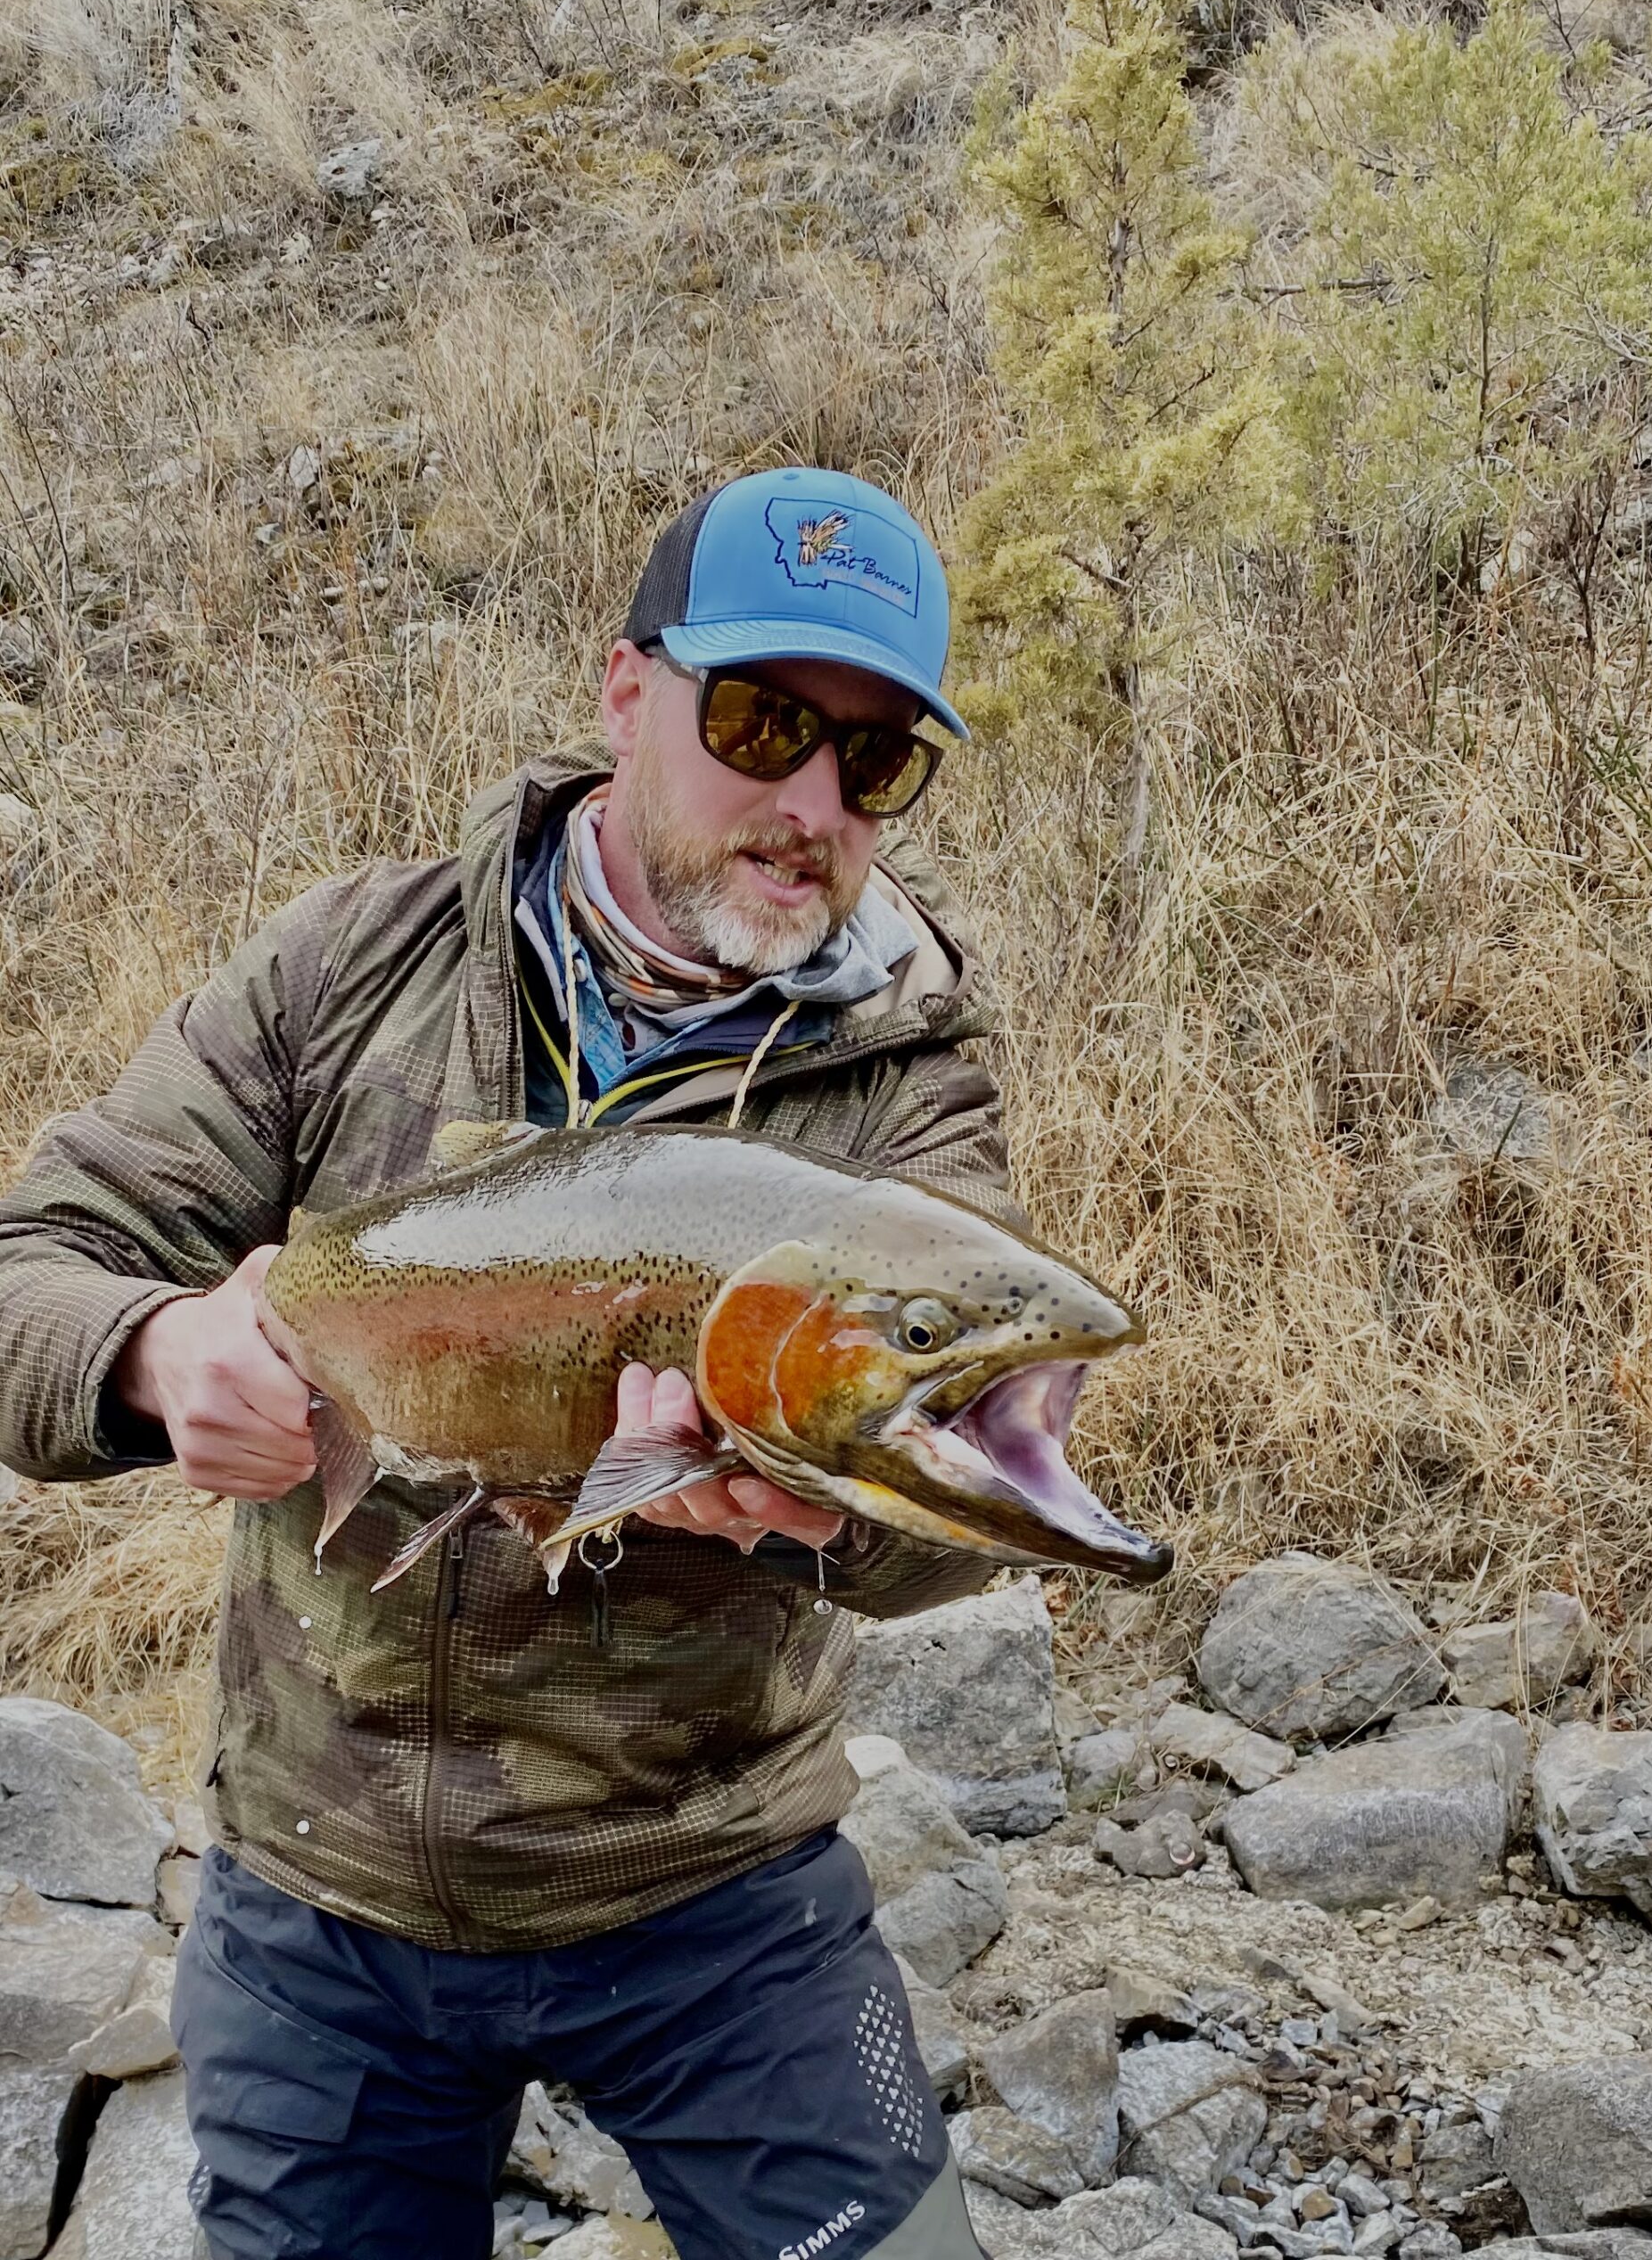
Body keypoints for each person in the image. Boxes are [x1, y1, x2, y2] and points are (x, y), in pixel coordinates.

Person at [0, 469, 1013, 2260]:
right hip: (322, 1889)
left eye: (875, 760)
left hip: (715, 1886)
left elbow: (971, 1506)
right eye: (764, 719)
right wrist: (160, 1348)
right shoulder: (344, 968)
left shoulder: (907, 1080)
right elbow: (29, 1279)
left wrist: (808, 1513)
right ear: (626, 693)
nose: (810, 803)